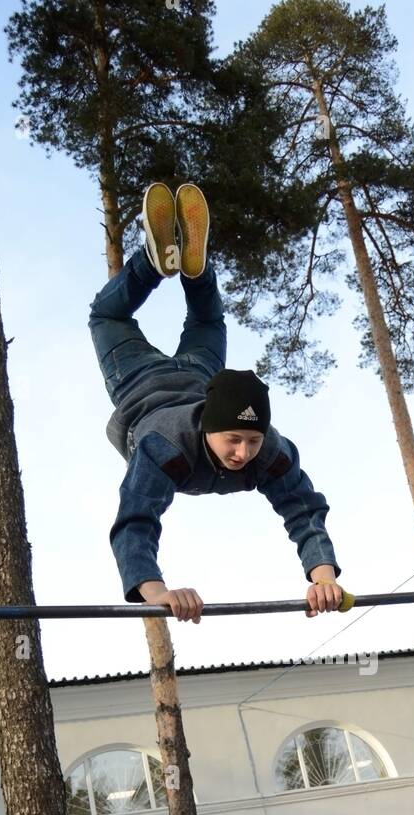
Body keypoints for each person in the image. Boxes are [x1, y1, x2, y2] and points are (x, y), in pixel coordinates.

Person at [88, 182, 344, 623]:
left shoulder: (272, 452)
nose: (243, 453)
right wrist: (156, 591)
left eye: (252, 440)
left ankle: (190, 264)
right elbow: (136, 518)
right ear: (208, 426)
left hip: (199, 375)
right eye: (233, 439)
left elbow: (302, 506)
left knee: (208, 318)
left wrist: (322, 576)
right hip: (140, 380)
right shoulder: (162, 448)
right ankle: (163, 262)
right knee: (108, 316)